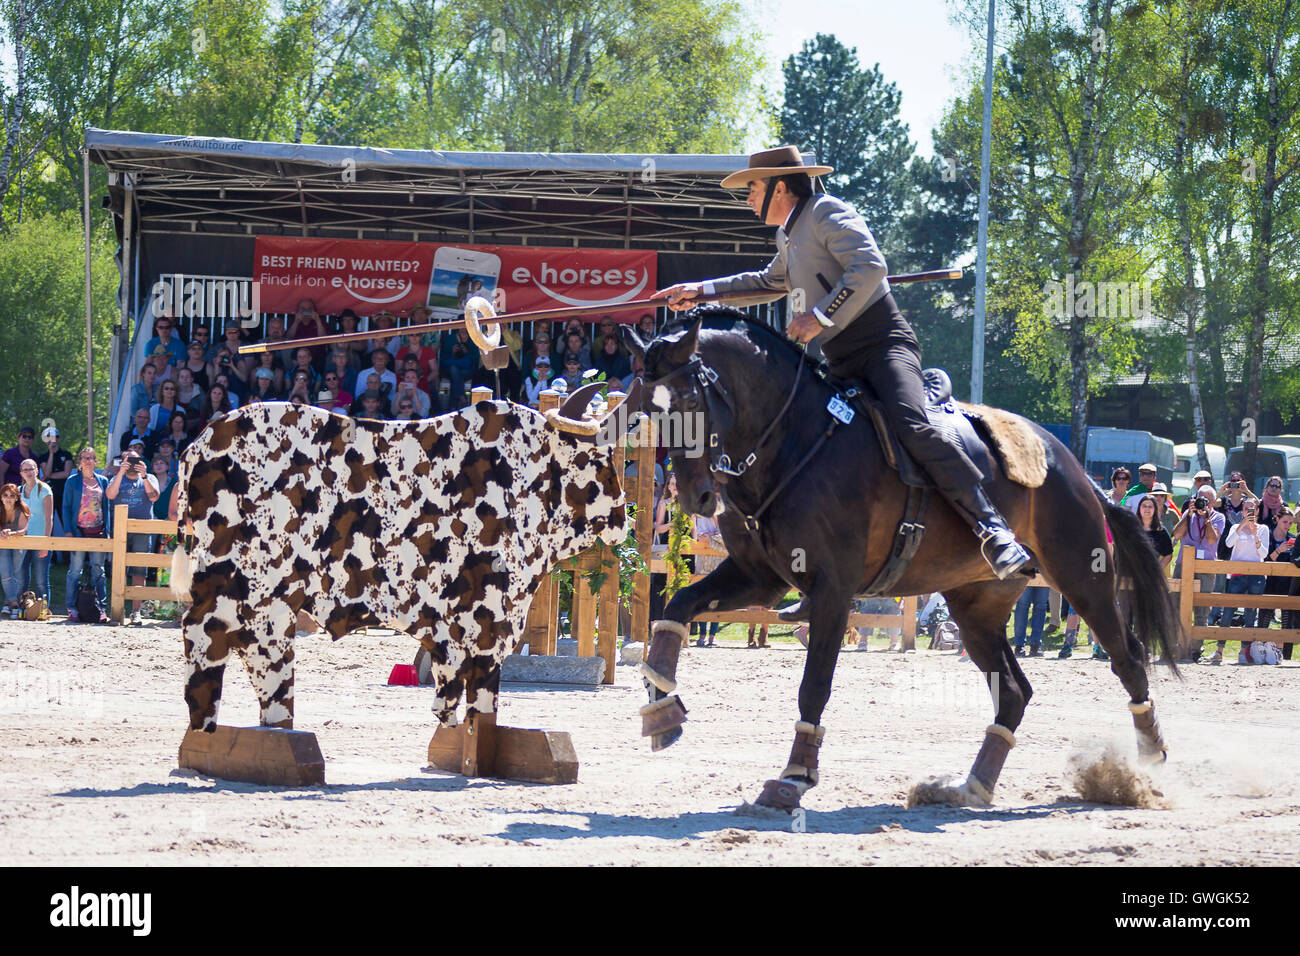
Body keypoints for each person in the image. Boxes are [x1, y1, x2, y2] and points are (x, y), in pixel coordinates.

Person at [658, 145, 1031, 580]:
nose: (747, 198)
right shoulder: (788, 234)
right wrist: (700, 291)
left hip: (883, 346)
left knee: (912, 425)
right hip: (839, 360)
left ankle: (993, 529)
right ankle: (826, 579)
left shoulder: (826, 211)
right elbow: (767, 281)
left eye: (752, 188)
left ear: (780, 187)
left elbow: (871, 267)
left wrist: (818, 316)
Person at [1213, 497, 1270, 664]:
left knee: (1250, 613)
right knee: (1228, 612)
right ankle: (1219, 650)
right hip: (1237, 575)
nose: (1249, 512)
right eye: (1246, 509)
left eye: (1252, 509)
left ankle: (1244, 652)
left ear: (1257, 511)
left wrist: (1254, 533)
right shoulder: (1236, 527)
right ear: (1242, 511)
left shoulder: (1263, 529)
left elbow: (1264, 554)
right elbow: (1229, 544)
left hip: (1256, 576)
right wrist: (1243, 526)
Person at [1171, 485, 1223, 661]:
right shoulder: (1189, 514)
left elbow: (1211, 539)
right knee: (1176, 605)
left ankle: (1195, 650)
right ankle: (1175, 647)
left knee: (1202, 610)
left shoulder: (1219, 517)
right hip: (1183, 564)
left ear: (1213, 502)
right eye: (1200, 498)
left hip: (1206, 567)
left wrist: (1206, 519)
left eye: (1206, 499)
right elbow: (1176, 534)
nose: (1202, 502)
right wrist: (1189, 514)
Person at [107, 447, 159, 620]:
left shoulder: (149, 478)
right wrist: (120, 473)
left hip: (142, 530)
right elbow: (110, 494)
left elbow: (153, 497)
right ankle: (118, 609)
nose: (131, 464)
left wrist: (143, 476)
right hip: (120, 530)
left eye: (135, 460)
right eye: (128, 461)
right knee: (119, 569)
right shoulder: (116, 478)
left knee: (139, 571)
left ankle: (136, 611)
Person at [62, 447, 111, 617]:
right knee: (75, 570)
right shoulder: (72, 481)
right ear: (80, 462)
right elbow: (66, 506)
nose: (87, 460)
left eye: (91, 458)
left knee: (99, 570)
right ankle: (71, 607)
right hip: (78, 531)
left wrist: (108, 530)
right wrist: (68, 530)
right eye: (84, 458)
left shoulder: (103, 481)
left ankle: (101, 608)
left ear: (96, 461)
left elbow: (107, 508)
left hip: (98, 531)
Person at [16, 460, 53, 607]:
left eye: (31, 469)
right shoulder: (18, 491)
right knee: (21, 579)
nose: (28, 472)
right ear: (21, 473)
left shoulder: (45, 490)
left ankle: (44, 610)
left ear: (37, 471)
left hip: (40, 541)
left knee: (41, 581)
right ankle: (21, 610)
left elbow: (49, 518)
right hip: (23, 541)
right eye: (25, 470)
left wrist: (46, 543)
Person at [1256, 506, 1294, 631]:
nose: (1287, 525)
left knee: (1287, 623)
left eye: (1290, 523)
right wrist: (1278, 550)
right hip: (1269, 583)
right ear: (1277, 519)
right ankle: (1258, 647)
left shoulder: (1293, 538)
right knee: (1264, 620)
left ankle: (1285, 650)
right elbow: (1264, 560)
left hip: (1287, 585)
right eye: (1284, 522)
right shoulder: (1268, 535)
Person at [690, 512, 724, 646]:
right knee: (702, 595)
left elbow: (722, 531)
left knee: (716, 595)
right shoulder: (695, 511)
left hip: (716, 550)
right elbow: (694, 532)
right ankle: (702, 634)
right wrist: (698, 538)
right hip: (701, 552)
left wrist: (709, 537)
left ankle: (713, 635)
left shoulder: (717, 509)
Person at [38, 426, 73, 540]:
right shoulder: (43, 456)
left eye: (54, 437)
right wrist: (51, 454)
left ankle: (69, 554)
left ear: (58, 439)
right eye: (49, 438)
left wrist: (49, 476)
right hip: (49, 494)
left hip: (64, 493)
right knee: (49, 522)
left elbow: (66, 473)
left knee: (66, 523)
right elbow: (46, 472)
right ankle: (49, 555)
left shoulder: (66, 454)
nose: (52, 440)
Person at [0, 482, 30, 614]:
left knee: (16, 571)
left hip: (19, 540)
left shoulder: (23, 508)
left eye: (12, 495)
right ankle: (14, 603)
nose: (8, 498)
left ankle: (8, 604)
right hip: (3, 541)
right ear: (1, 497)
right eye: (5, 495)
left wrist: (9, 533)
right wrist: (2, 532)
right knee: (6, 572)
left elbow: (23, 530)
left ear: (17, 497)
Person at [440, 328, 479, 409]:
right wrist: (453, 353)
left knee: (456, 375)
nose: (463, 328)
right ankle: (462, 399)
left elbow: (475, 360)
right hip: (451, 369)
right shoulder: (450, 339)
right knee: (454, 370)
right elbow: (443, 360)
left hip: (467, 370)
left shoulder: (474, 338)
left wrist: (466, 352)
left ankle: (452, 407)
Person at [1012, 585, 1050, 657]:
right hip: (1025, 575)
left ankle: (1035, 645)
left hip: (1044, 575)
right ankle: (1019, 645)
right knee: (1022, 605)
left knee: (1041, 607)